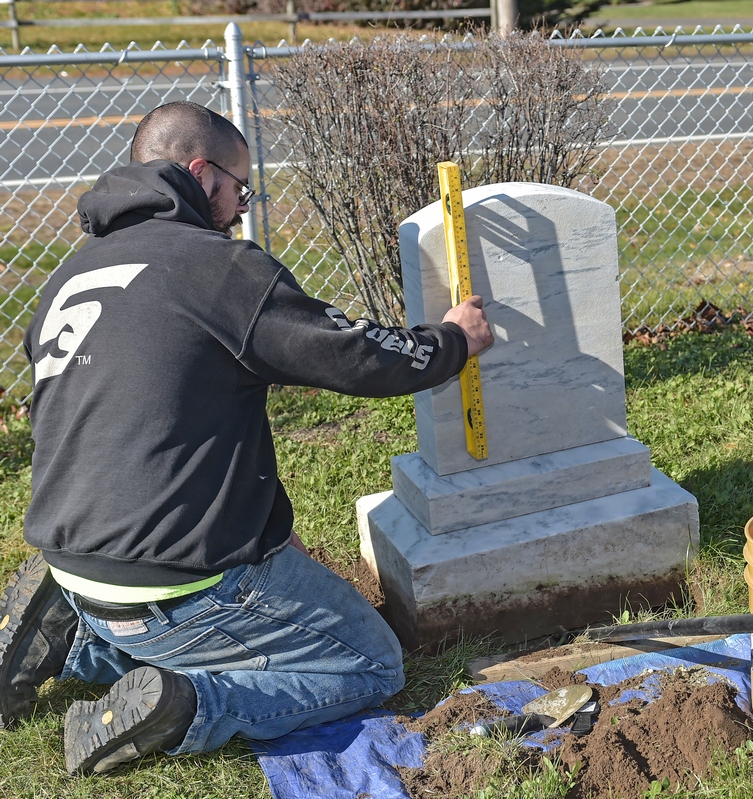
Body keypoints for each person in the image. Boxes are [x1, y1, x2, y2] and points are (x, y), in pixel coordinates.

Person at [0, 100, 493, 775]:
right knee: (372, 663)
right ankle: (185, 701)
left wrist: (263, 520)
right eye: (239, 188)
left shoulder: (70, 277)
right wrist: (452, 342)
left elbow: (172, 418)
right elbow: (353, 353)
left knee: (142, 610)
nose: (239, 208)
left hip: (72, 557)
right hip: (183, 585)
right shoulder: (219, 269)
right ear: (202, 175)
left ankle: (73, 633)